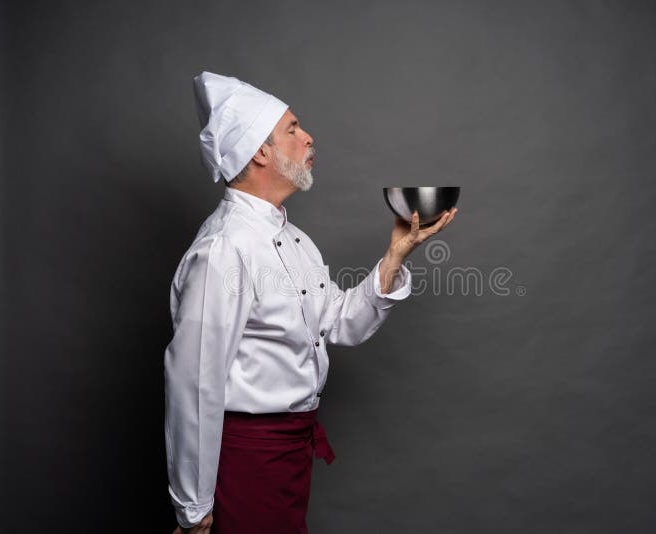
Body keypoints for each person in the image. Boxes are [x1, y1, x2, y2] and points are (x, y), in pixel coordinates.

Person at [165, 71, 458, 534]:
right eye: (293, 129)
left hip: (290, 456)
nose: (308, 138)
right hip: (245, 461)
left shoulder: (294, 239)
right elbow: (194, 383)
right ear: (260, 151)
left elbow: (340, 323)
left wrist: (395, 256)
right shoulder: (224, 249)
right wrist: (194, 506)